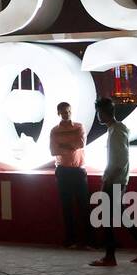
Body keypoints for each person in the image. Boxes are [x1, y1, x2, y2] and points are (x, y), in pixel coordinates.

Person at [90, 98, 137, 267]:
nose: (98, 115)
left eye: (98, 112)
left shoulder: (117, 131)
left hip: (114, 181)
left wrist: (108, 180)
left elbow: (120, 160)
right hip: (117, 180)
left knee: (107, 218)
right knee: (120, 215)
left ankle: (110, 256)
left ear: (103, 113)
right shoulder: (116, 129)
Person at [50, 101, 93, 249]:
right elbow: (53, 151)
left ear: (71, 111)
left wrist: (63, 145)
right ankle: (71, 240)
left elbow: (80, 144)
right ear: (58, 113)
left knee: (84, 206)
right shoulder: (54, 130)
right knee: (66, 207)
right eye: (63, 112)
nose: (66, 114)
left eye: (68, 111)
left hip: (78, 170)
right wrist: (70, 146)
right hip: (63, 170)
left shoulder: (79, 127)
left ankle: (88, 240)